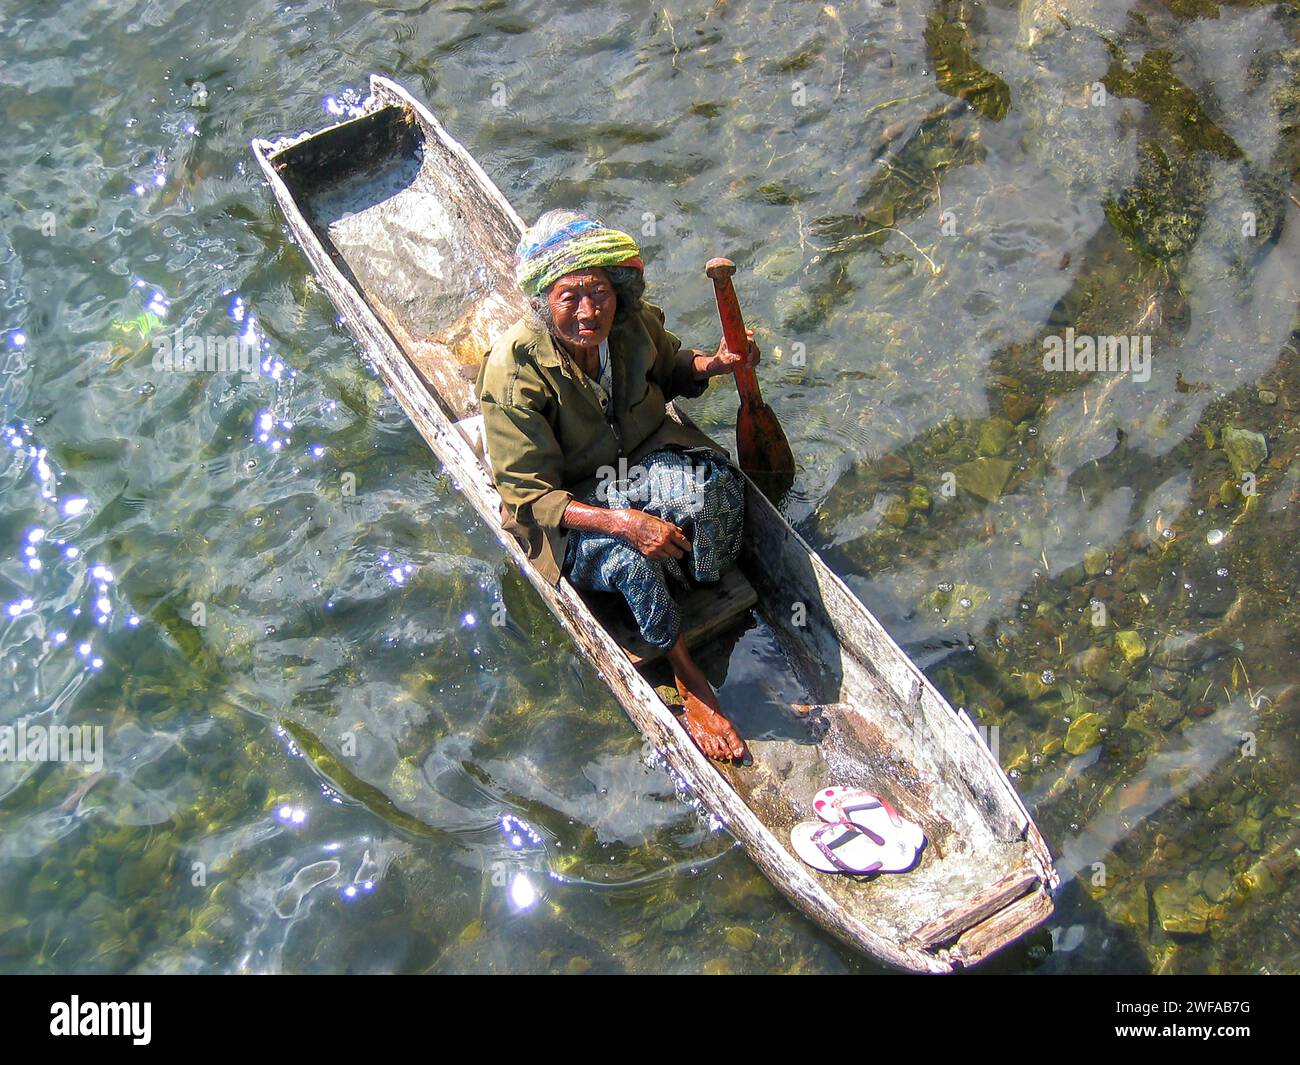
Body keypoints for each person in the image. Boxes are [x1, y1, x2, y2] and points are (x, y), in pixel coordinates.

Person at [476, 209, 759, 760]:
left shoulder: (631, 323)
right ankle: (682, 667)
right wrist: (622, 522)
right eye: (569, 298)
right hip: (574, 506)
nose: (589, 311)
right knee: (630, 560)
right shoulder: (513, 371)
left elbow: (673, 366)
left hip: (638, 463)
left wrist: (715, 363)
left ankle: (688, 573)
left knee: (719, 487)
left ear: (617, 289)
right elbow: (527, 498)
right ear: (543, 302)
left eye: (599, 292)